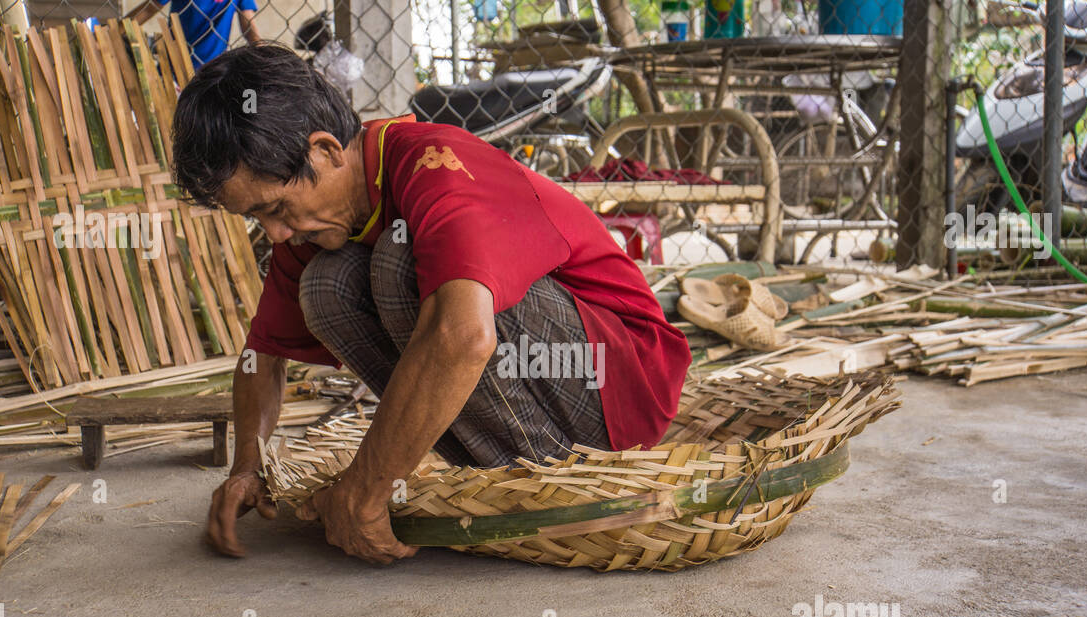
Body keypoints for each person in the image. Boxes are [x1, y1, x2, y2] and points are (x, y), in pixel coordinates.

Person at [172, 45, 691, 565]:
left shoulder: (435, 163)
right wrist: (247, 467)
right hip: (538, 413)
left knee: (402, 259)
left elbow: (465, 335)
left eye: (275, 208)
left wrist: (364, 489)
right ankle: (508, 483)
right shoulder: (310, 230)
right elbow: (261, 355)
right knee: (325, 284)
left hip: (621, 385)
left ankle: (556, 485)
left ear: (326, 151)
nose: (276, 232)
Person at [125, 0, 262, 69]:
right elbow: (149, 9)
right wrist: (114, 31)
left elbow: (248, 24)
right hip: (175, 64)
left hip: (213, 67)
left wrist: (262, 50)